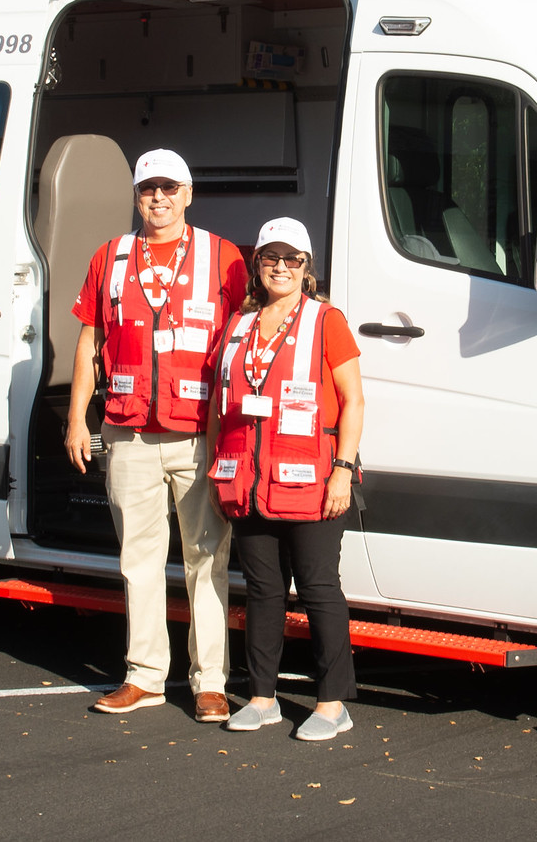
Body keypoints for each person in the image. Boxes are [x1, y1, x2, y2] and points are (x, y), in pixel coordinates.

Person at [65, 149, 248, 721]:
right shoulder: (110, 257)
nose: (159, 198)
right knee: (138, 560)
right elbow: (89, 339)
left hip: (201, 434)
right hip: (128, 433)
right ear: (136, 196)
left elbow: (248, 342)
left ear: (189, 194)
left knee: (206, 559)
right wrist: (77, 418)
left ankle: (210, 682)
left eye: (170, 188)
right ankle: (144, 677)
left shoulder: (224, 258)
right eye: (149, 189)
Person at [207, 218, 366, 740]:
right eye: (271, 258)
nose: (281, 267)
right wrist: (217, 468)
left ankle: (331, 703)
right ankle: (262, 697)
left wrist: (342, 471)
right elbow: (219, 406)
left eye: (291, 259)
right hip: (249, 482)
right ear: (258, 265)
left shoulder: (326, 321)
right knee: (262, 591)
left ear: (307, 267)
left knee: (320, 588)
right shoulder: (236, 326)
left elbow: (353, 401)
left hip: (314, 480)